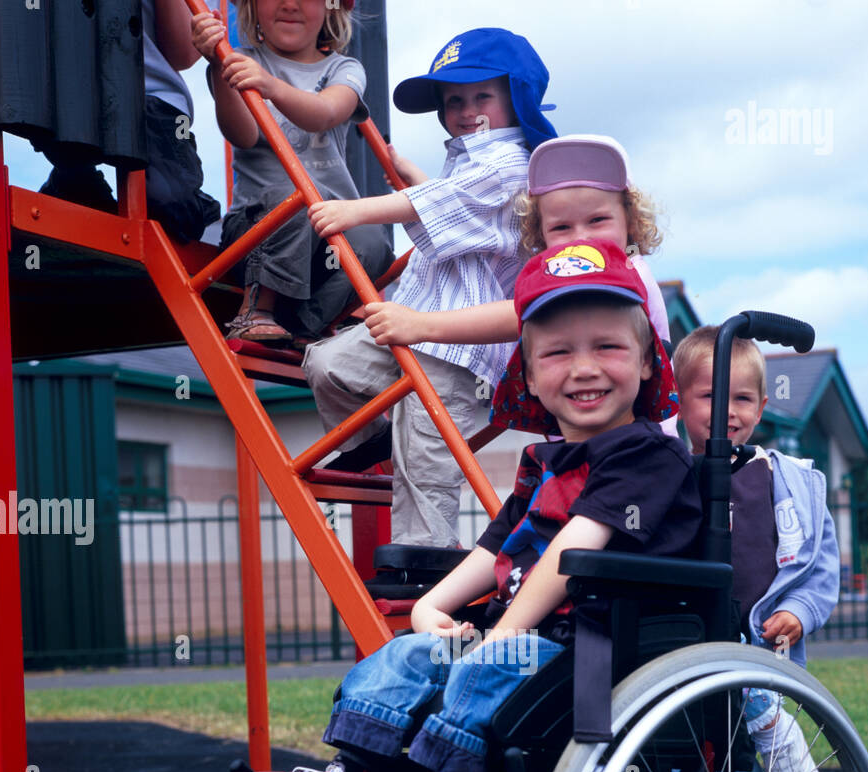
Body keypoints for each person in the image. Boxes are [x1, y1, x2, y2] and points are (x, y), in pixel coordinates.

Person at [246, 239, 701, 772]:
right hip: (526, 645)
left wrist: (507, 628)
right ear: (532, 375)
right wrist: (433, 606)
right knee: (405, 653)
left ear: (650, 363)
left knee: (488, 666)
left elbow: (578, 544)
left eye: (608, 347)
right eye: (557, 353)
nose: (583, 368)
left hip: (599, 651)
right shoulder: (542, 462)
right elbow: (497, 547)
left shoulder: (647, 455)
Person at [302, 28, 558, 547]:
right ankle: (374, 436)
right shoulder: (467, 162)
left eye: (482, 96)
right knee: (327, 365)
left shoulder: (518, 164)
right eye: (453, 100)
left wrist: (354, 210)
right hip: (410, 320)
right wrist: (412, 174)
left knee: (425, 454)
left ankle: (428, 556)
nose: (466, 110)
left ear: (518, 96)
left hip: (459, 347)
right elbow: (457, 206)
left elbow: (451, 201)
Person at [357, 134, 671, 437]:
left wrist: (420, 325)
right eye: (561, 227)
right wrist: (421, 181)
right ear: (540, 234)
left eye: (597, 221)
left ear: (629, 221)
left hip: (627, 439)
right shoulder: (593, 270)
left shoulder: (616, 272)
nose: (580, 238)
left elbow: (516, 314)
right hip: (582, 434)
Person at [673, 326, 840, 772]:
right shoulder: (666, 471)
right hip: (681, 643)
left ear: (763, 406)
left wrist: (798, 612)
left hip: (752, 644)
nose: (728, 411)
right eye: (709, 397)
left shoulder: (784, 481)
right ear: (678, 399)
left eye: (742, 398)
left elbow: (818, 567)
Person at [192, 0, 392, 343]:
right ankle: (255, 309)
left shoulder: (344, 68)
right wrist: (217, 65)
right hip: (257, 233)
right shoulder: (243, 61)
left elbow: (326, 112)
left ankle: (307, 325)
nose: (290, 5)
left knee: (375, 244)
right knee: (300, 197)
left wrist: (271, 87)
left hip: (325, 240)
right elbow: (243, 135)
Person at [36, 0, 220, 243]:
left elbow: (183, 52)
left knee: (174, 210)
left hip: (154, 97)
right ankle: (73, 180)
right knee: (69, 158)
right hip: (74, 89)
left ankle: (194, 201)